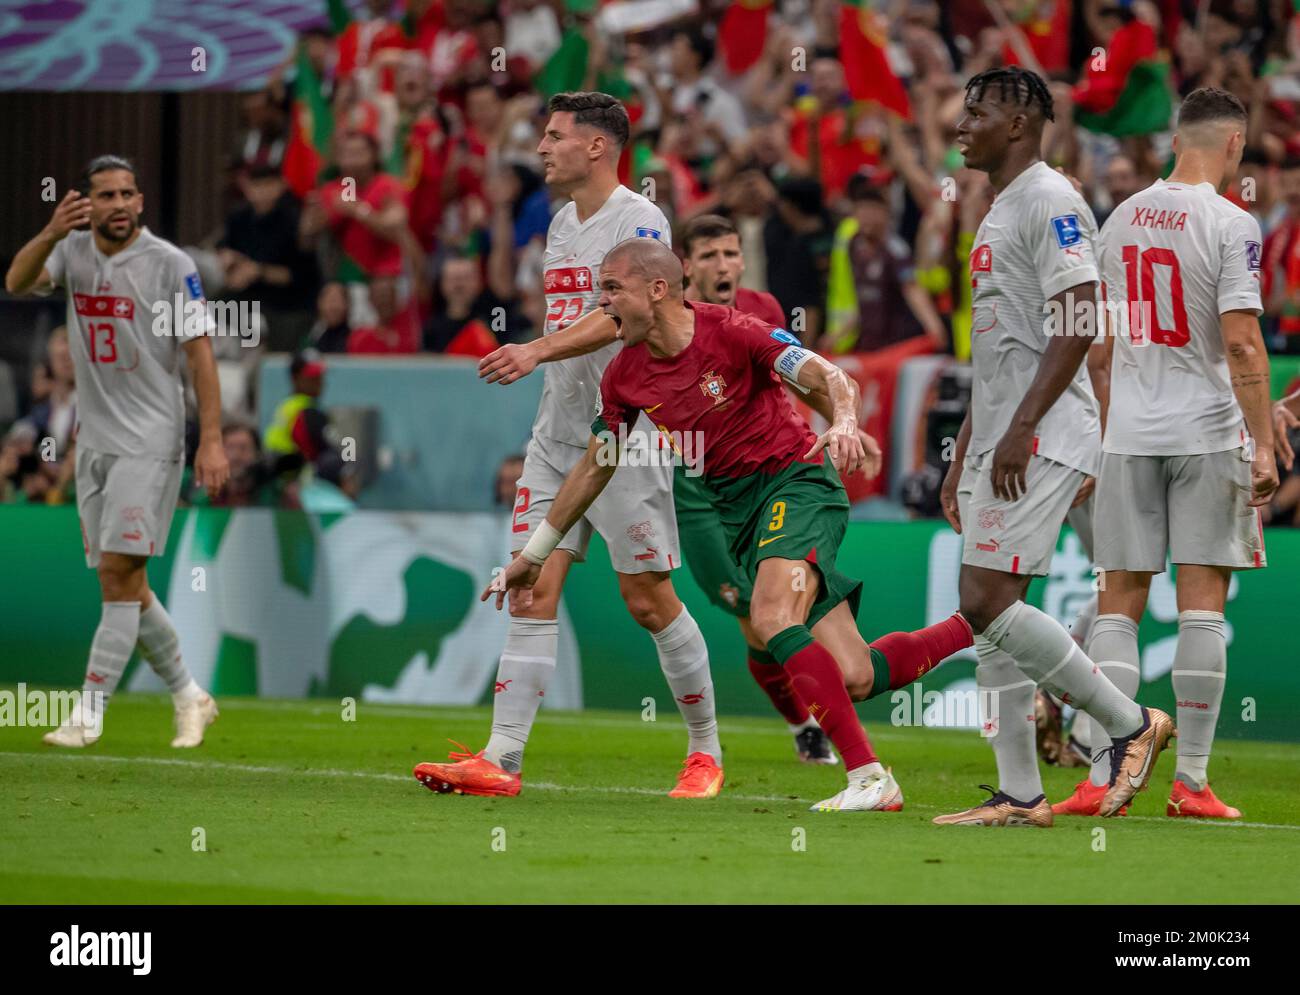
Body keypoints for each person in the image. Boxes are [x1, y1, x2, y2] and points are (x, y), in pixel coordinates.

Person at [486, 237, 974, 811]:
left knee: (769, 614)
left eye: (613, 290)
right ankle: (979, 624)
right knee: (856, 674)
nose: (603, 304)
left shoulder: (737, 330)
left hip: (798, 483)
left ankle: (869, 776)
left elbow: (832, 378)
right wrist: (535, 554)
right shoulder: (622, 377)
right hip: (739, 515)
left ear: (658, 289)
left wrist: (843, 421)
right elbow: (597, 465)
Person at [416, 93, 726, 800]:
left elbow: (626, 317)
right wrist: (545, 359)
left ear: (596, 146)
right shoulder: (559, 223)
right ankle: (501, 759)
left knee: (646, 598)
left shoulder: (640, 219)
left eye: (555, 137)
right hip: (557, 437)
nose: (542, 148)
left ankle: (705, 752)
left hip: (627, 437)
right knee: (529, 589)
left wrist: (535, 350)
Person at [936, 67, 1173, 827]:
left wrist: (1020, 429)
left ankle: (1129, 723)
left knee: (985, 598)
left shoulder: (1050, 200)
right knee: (990, 613)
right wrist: (968, 445)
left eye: (977, 111)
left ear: (1019, 120)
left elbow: (1078, 322)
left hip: (1043, 435)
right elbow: (1002, 349)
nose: (961, 124)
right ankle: (1020, 792)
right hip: (1001, 435)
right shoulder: (1003, 206)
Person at [1053, 87, 1277, 820]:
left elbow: (1101, 345)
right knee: (1200, 604)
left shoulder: (1119, 220)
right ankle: (1191, 783)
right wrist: (1266, 441)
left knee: (1118, 600)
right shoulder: (1232, 222)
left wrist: (1114, 427)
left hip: (1131, 434)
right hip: (1208, 431)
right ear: (1234, 147)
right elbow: (1242, 342)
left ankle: (1101, 773)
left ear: (1176, 138)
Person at [4, 154, 228, 748]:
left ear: (141, 202)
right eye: (107, 195)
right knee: (128, 583)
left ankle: (89, 713)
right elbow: (16, 282)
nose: (121, 204)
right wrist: (51, 231)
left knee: (116, 575)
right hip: (95, 444)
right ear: (88, 203)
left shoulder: (168, 264)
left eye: (129, 193)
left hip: (151, 442)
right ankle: (190, 696)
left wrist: (210, 437)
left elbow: (200, 355)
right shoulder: (71, 253)